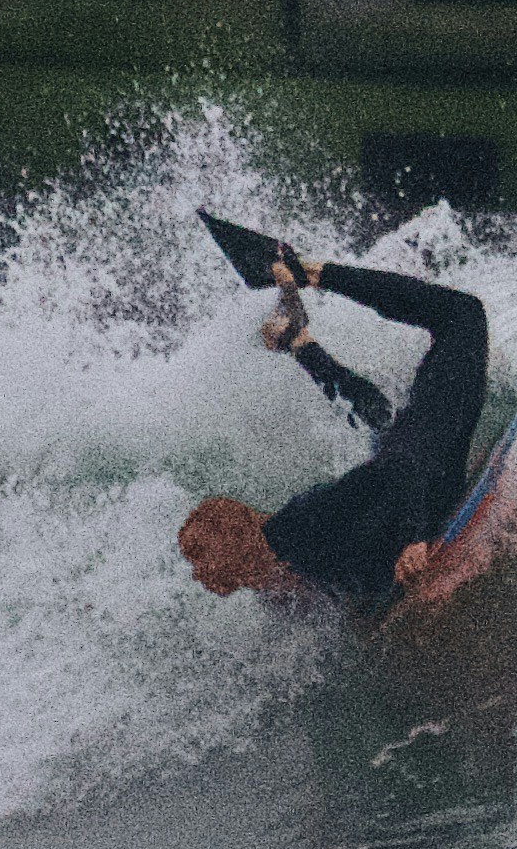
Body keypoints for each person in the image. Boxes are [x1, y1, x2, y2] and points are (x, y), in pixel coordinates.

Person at [176, 248, 496, 619]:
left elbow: (396, 474)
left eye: (202, 561)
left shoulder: (297, 529)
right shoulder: (288, 555)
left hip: (419, 477)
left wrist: (413, 539)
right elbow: (397, 474)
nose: (200, 577)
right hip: (433, 478)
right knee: (460, 319)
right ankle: (307, 294)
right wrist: (410, 543)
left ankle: (300, 325)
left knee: (390, 420)